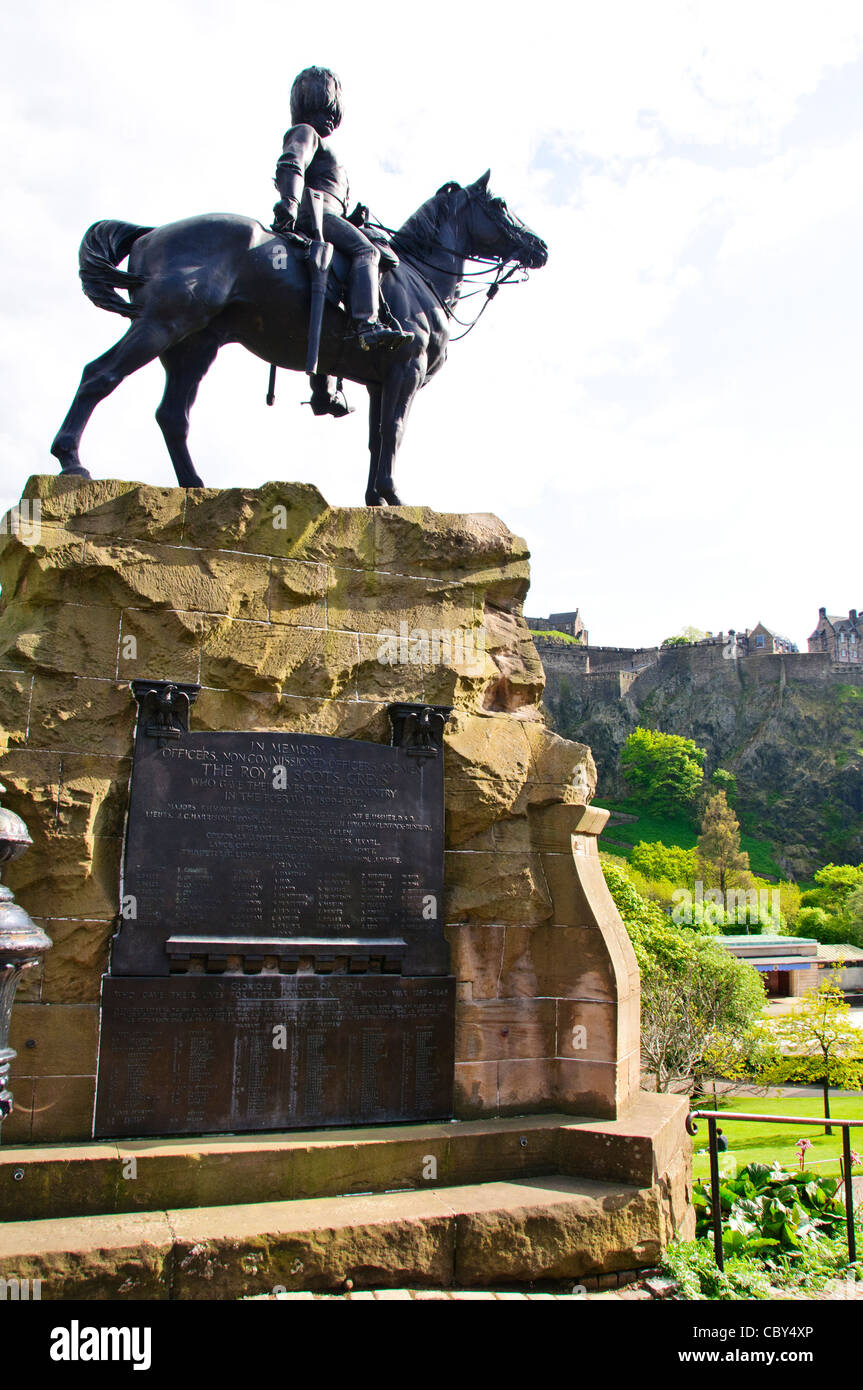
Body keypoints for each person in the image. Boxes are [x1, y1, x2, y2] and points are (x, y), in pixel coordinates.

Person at [272, 66, 412, 411]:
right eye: (328, 106)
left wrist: (353, 218)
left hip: (330, 216)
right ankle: (367, 325)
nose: (331, 116)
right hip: (316, 214)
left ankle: (324, 391)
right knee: (367, 251)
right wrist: (288, 207)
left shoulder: (323, 145)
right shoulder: (305, 132)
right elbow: (291, 164)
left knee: (338, 288)